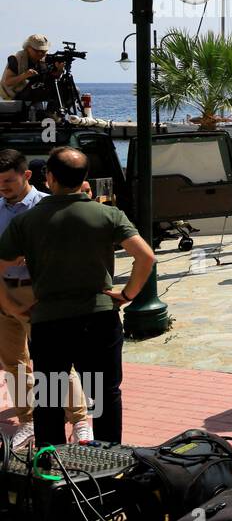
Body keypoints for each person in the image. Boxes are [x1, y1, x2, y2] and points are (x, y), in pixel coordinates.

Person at [0, 147, 154, 446]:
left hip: (49, 321)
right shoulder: (107, 213)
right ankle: (110, 461)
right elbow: (146, 257)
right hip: (98, 317)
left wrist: (12, 307)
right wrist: (127, 294)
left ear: (49, 177)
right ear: (84, 178)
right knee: (105, 393)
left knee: (49, 396)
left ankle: (51, 463)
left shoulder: (28, 221)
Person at [0, 149, 92, 448]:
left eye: (8, 181)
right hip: (3, 293)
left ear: (27, 175)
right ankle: (29, 419)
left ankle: (79, 420)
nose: (3, 187)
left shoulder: (46, 205)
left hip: (39, 294)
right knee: (13, 362)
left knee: (54, 360)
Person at [0, 34, 49, 102]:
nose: (41, 54)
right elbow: (8, 82)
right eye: (37, 50)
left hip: (28, 97)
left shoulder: (44, 60)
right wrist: (25, 75)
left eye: (44, 51)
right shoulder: (17, 58)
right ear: (28, 48)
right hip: (8, 97)